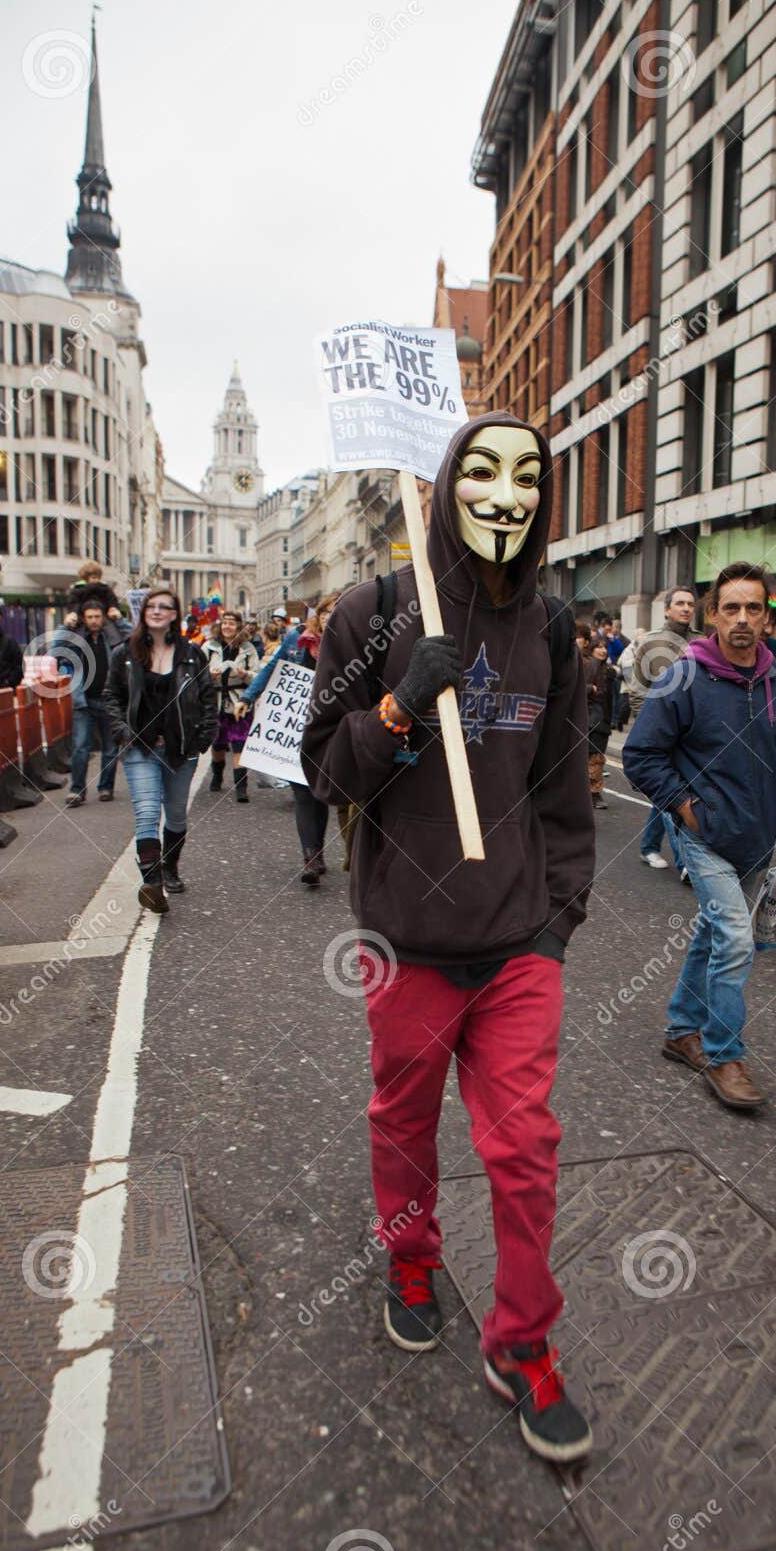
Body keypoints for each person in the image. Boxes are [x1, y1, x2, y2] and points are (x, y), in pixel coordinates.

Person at [301, 411, 595, 1463]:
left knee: (524, 1149)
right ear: (442, 485)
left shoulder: (551, 629)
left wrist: (556, 920)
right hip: (406, 943)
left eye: (527, 476)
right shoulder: (371, 612)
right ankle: (411, 1256)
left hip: (517, 945)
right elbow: (322, 773)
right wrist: (396, 705)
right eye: (481, 471)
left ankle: (521, 1340)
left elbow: (564, 791)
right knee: (404, 1121)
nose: (505, 495)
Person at [623, 561, 776, 1112]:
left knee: (713, 934)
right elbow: (641, 755)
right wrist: (687, 809)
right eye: (731, 607)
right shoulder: (683, 676)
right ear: (713, 615)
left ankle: (681, 1030)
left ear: (767, 617)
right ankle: (724, 1053)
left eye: (754, 608)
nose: (743, 618)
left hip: (756, 838)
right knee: (734, 939)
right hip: (702, 836)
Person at [103, 588, 217, 910]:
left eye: (164, 607)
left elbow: (208, 698)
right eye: (150, 606)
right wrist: (123, 733)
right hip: (140, 747)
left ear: (174, 614)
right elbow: (111, 697)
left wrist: (203, 737)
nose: (156, 611)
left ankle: (170, 868)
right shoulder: (124, 654)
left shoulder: (192, 654)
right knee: (147, 812)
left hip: (181, 748)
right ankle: (152, 884)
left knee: (176, 814)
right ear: (142, 613)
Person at [238, 592, 341, 884]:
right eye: (326, 612)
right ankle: (309, 857)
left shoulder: (349, 641)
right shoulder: (297, 639)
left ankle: (317, 850)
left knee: (318, 791)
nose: (330, 618)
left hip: (329, 726)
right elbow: (272, 669)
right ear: (319, 615)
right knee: (302, 790)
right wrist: (248, 696)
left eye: (336, 612)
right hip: (294, 727)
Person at [629, 586, 701, 870]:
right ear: (668, 609)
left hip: (693, 733)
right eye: (680, 603)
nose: (686, 608)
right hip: (661, 733)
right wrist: (648, 730)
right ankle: (685, 863)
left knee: (672, 790)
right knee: (672, 788)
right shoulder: (651, 643)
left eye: (690, 604)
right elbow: (638, 691)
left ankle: (649, 846)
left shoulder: (703, 642)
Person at [52, 600, 124, 807]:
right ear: (84, 619)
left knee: (110, 748)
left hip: (109, 701)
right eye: (90, 617)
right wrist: (65, 626)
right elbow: (55, 649)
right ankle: (77, 790)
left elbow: (132, 637)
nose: (94, 621)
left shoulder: (112, 637)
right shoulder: (76, 639)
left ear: (103, 617)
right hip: (84, 702)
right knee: (80, 748)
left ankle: (106, 787)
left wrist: (120, 619)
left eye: (97, 616)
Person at [205, 609, 260, 801]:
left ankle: (241, 788)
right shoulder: (209, 646)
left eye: (232, 623)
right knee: (218, 744)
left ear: (238, 626)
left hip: (239, 703)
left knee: (239, 744)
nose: (227, 626)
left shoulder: (248, 648)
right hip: (216, 702)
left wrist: (245, 674)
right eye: (225, 622)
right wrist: (210, 675)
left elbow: (258, 676)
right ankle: (217, 774)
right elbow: (197, 674)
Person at [584, 636, 614, 810]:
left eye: (605, 647)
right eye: (599, 647)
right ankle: (593, 794)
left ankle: (591, 793)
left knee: (595, 757)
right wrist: (592, 688)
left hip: (602, 719)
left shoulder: (606, 670)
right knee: (594, 758)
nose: (603, 650)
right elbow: (580, 688)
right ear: (591, 648)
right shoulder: (590, 665)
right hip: (593, 719)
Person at [64, 560, 122, 625]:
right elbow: (74, 603)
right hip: (82, 620)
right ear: (86, 578)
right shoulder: (78, 590)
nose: (96, 580)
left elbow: (112, 600)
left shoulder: (105, 589)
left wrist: (113, 609)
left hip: (103, 619)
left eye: (98, 577)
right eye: (93, 577)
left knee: (122, 625)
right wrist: (73, 613)